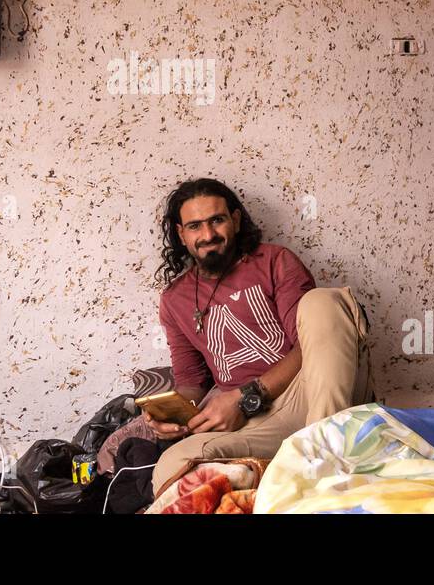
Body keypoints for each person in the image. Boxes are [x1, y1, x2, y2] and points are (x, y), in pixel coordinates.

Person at [137, 178, 373, 497]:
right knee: (172, 463)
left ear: (235, 221)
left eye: (216, 220)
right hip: (254, 423)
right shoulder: (174, 299)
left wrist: (244, 396)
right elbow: (192, 382)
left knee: (323, 303)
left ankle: (323, 464)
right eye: (194, 226)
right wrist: (172, 415)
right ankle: (268, 474)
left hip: (312, 393)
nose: (207, 235)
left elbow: (312, 346)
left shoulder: (275, 262)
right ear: (181, 234)